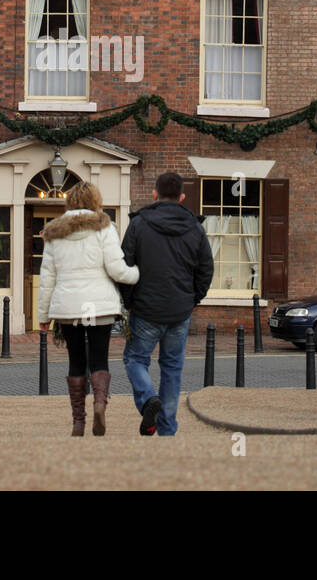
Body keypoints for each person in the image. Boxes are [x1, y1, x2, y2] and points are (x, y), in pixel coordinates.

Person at [36, 182, 139, 436]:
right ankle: (100, 404)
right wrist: (136, 274)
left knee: (76, 361)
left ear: (69, 202)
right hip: (99, 305)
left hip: (68, 308)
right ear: (95, 200)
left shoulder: (54, 233)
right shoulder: (105, 228)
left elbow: (47, 277)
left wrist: (43, 316)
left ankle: (78, 422)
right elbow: (117, 269)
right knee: (99, 358)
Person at [120, 172, 214, 436]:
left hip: (145, 310)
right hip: (179, 311)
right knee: (172, 368)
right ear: (182, 197)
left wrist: (129, 302)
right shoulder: (195, 228)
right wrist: (193, 298)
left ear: (154, 194)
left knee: (135, 360)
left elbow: (124, 266)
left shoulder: (138, 224)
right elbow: (206, 269)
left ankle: (148, 399)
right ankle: (167, 428)